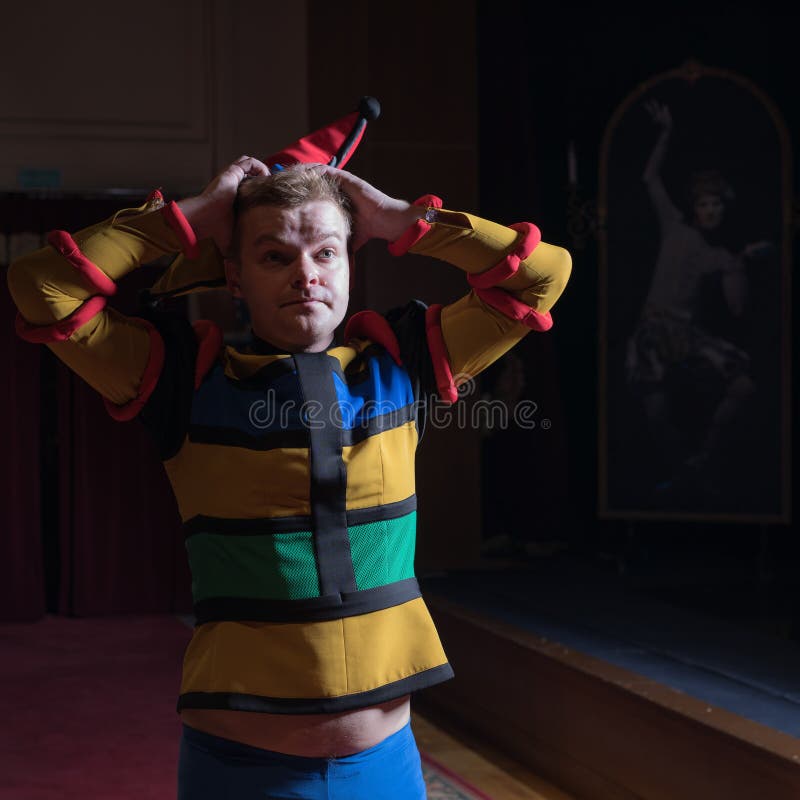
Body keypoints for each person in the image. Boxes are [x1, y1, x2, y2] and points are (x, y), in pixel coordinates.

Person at [8, 142, 571, 797]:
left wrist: (402, 219)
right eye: (275, 255)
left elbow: (542, 276)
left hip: (385, 767)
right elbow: (39, 288)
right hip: (241, 772)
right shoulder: (179, 378)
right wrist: (189, 215)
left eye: (325, 252)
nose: (306, 274)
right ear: (235, 276)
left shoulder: (405, 360)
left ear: (349, 267)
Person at [625, 99, 768, 500]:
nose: (711, 210)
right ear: (694, 206)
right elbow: (650, 179)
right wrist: (666, 132)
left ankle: (701, 463)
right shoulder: (675, 228)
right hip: (655, 328)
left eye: (717, 203)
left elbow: (737, 306)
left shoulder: (719, 255)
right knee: (654, 409)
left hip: (687, 334)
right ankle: (680, 474)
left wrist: (740, 264)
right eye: (705, 203)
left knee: (744, 384)